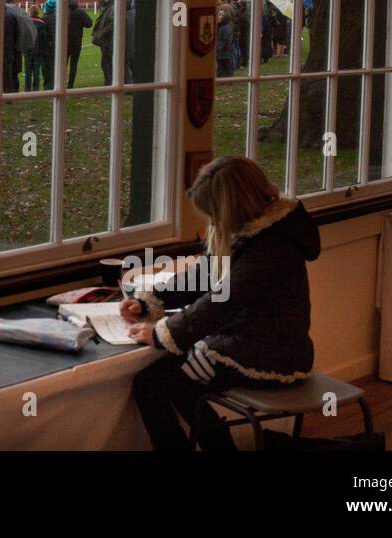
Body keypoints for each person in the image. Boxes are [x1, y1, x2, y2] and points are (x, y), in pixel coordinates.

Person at [123, 156, 320, 451]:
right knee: (170, 380)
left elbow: (221, 302)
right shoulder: (252, 233)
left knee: (154, 383)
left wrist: (162, 333)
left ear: (232, 209)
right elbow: (204, 275)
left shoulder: (272, 248)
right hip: (247, 347)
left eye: (213, 214)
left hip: (271, 358)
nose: (212, 222)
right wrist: (150, 301)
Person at [66, 0, 93, 88]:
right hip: (76, 41)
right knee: (73, 64)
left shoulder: (61, 11)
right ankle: (70, 84)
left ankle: (60, 82)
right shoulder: (80, 12)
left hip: (64, 42)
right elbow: (89, 23)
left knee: (62, 64)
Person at [92, 0, 116, 86]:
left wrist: (101, 33)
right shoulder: (107, 7)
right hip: (105, 41)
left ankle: (110, 83)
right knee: (105, 62)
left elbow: (112, 24)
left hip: (108, 41)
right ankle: (109, 82)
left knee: (107, 63)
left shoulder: (113, 8)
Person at [40, 0, 58, 90]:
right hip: (56, 46)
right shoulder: (58, 18)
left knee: (46, 67)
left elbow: (43, 35)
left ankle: (47, 85)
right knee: (55, 65)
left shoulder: (44, 19)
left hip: (47, 47)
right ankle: (54, 83)